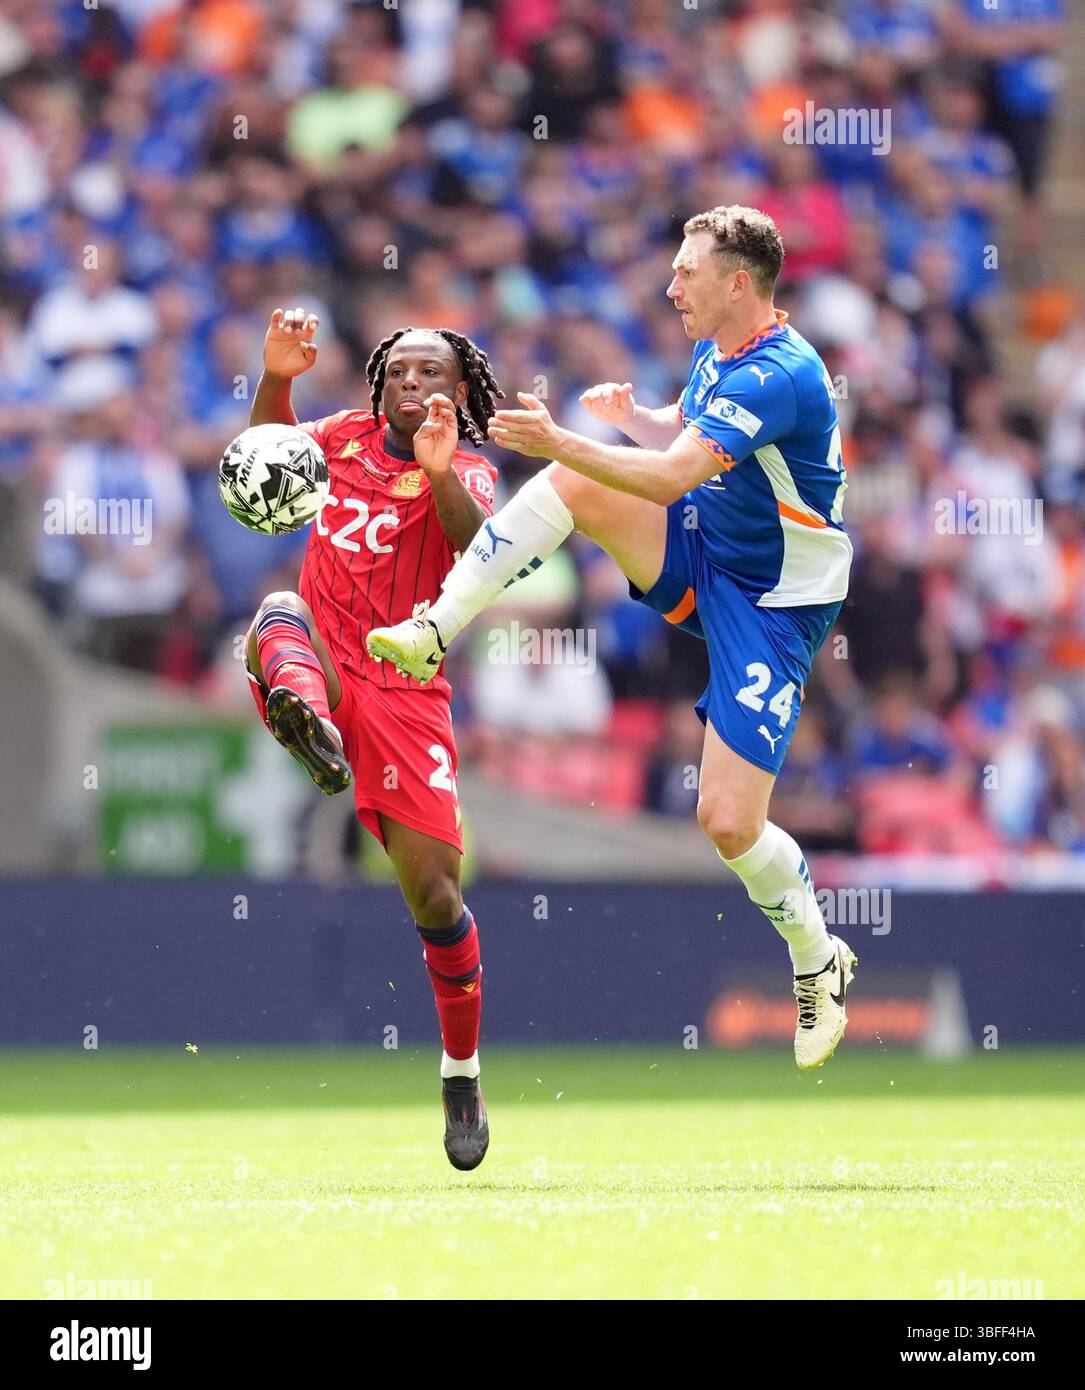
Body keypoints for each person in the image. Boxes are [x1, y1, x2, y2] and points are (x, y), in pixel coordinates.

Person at [368, 205, 857, 1070]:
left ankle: (818, 956)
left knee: (728, 824)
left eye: (686, 271)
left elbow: (675, 475)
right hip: (710, 547)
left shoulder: (780, 373)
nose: (670, 286)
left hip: (775, 604)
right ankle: (435, 626)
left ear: (737, 282)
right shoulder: (722, 349)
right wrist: (633, 418)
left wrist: (569, 433)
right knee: (574, 483)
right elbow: (688, 437)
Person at [241, 306, 502, 1167]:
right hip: (324, 645)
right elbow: (262, 467)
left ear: (459, 393)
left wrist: (436, 475)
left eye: (429, 373)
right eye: (397, 372)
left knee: (434, 899)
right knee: (278, 612)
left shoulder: (468, 469)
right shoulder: (340, 436)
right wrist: (277, 377)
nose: (409, 383)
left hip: (406, 682)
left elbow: (481, 557)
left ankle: (459, 1072)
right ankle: (307, 718)